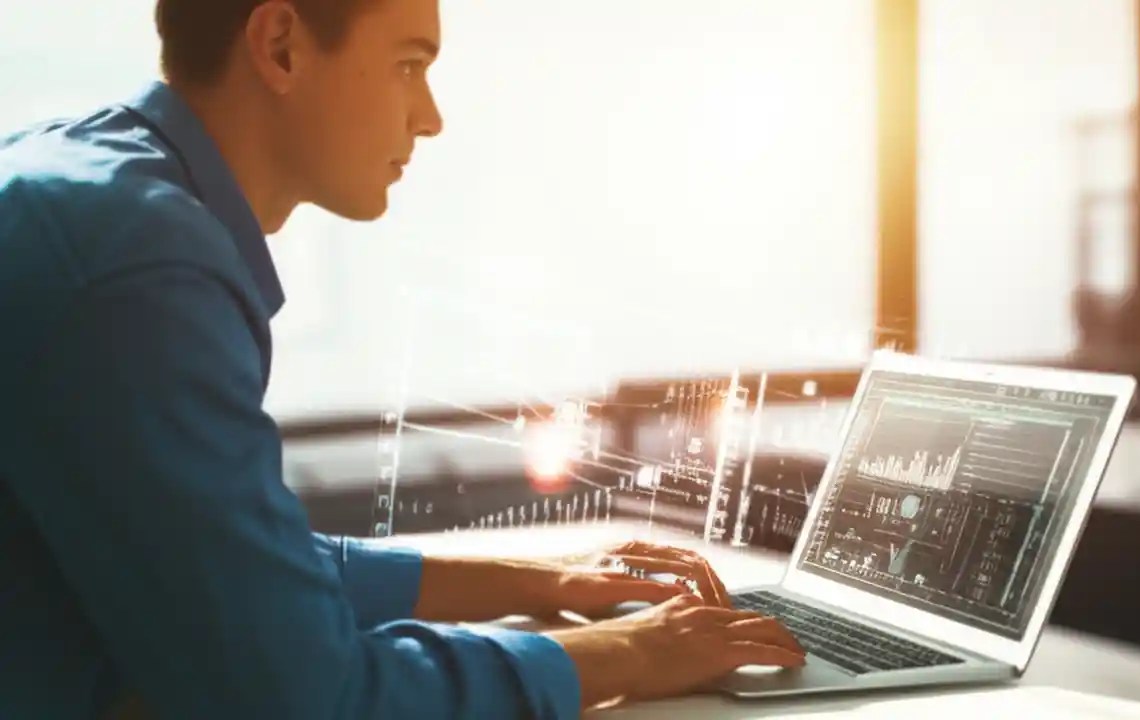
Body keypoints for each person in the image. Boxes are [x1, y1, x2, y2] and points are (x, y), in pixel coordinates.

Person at [0, 0, 805, 717]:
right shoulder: (141, 267)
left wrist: (541, 581)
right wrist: (630, 654)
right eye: (409, 65)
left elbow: (223, 564)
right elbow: (299, 693)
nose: (430, 116)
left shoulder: (75, 180)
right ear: (281, 44)